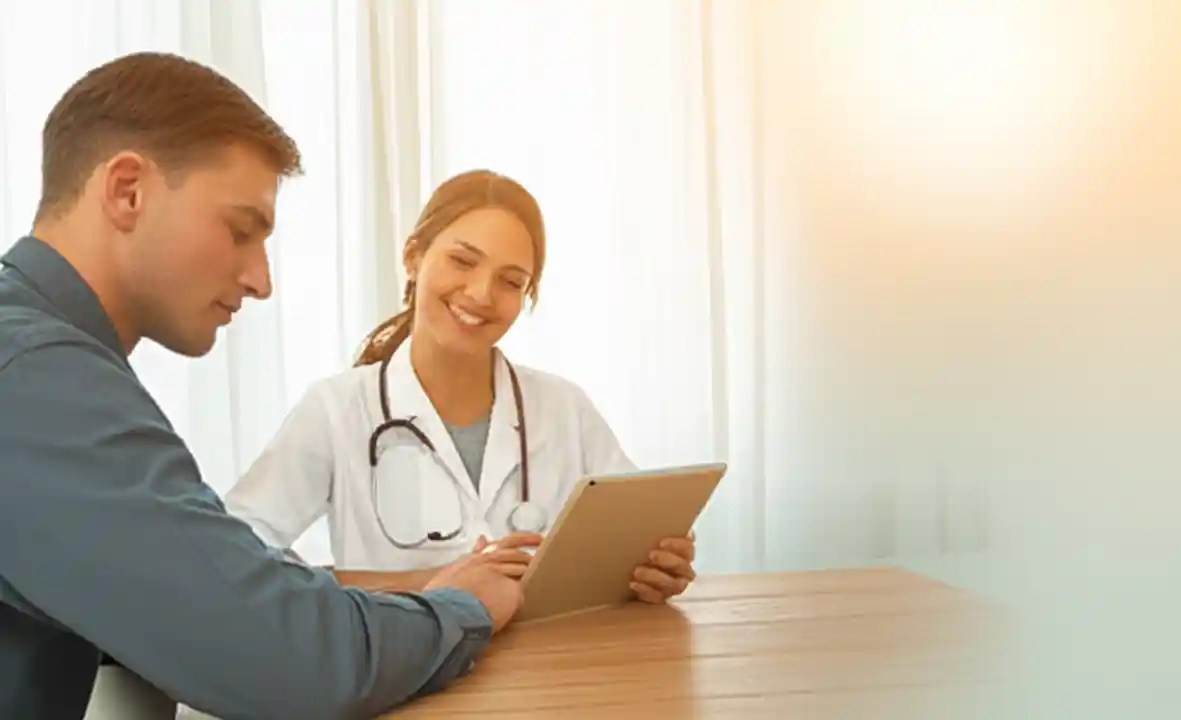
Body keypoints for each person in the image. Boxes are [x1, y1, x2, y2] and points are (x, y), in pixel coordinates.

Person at [0, 52, 528, 720]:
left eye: (515, 281)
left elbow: (227, 583)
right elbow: (288, 655)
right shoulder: (36, 378)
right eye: (240, 230)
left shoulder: (41, 360)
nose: (261, 280)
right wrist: (465, 607)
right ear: (128, 190)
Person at [224, 170, 698, 604]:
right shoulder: (336, 409)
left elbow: (636, 530)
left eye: (511, 281)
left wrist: (657, 565)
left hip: (550, 675)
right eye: (462, 261)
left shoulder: (563, 408)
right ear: (413, 258)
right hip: (410, 682)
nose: (480, 294)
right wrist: (434, 583)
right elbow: (237, 549)